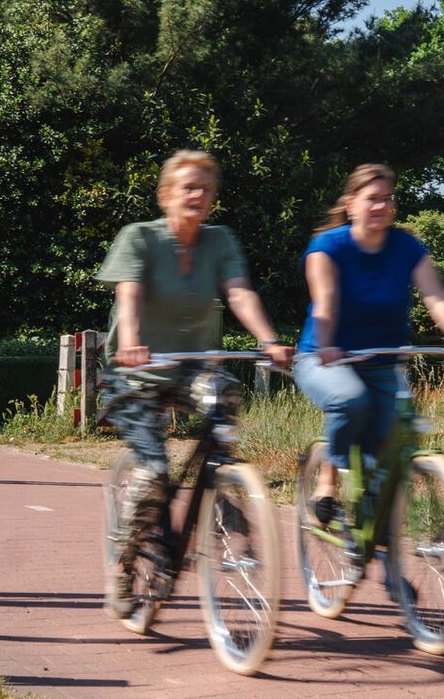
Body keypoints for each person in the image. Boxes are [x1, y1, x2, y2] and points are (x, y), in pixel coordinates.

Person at [97, 149, 292, 618]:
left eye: (206, 189)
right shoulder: (139, 237)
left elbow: (240, 293)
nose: (198, 195)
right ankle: (124, 566)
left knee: (226, 393)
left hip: (192, 367)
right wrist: (133, 342)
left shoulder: (220, 241)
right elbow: (130, 294)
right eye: (188, 187)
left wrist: (269, 340)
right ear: (166, 195)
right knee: (153, 473)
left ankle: (220, 481)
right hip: (137, 371)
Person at [294, 163, 444, 525]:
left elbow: (436, 297)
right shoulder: (327, 246)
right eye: (372, 198)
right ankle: (329, 478)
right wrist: (327, 343)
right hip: (326, 358)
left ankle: (377, 537)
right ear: (351, 204)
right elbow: (326, 300)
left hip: (383, 361)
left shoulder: (406, 247)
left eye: (388, 198)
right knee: (349, 399)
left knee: (392, 444)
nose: (381, 206)